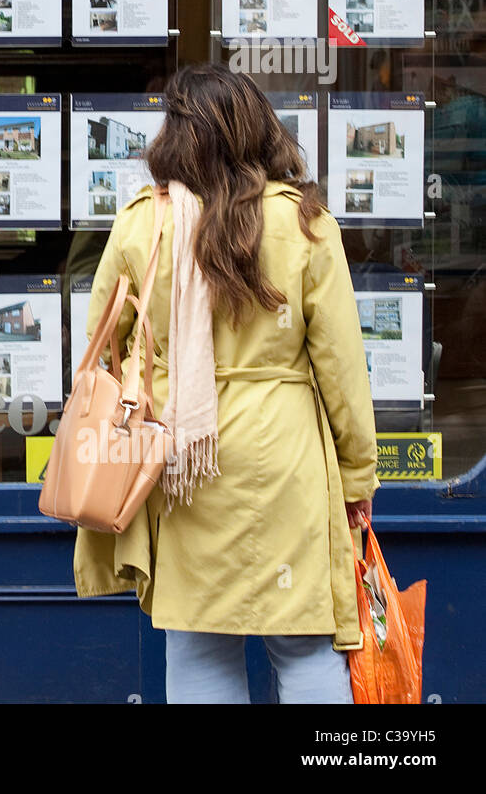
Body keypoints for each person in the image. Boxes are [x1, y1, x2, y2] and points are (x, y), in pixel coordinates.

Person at [73, 63, 378, 704]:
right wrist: (358, 477)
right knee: (304, 648)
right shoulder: (305, 225)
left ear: (175, 137)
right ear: (257, 128)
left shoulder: (140, 223)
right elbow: (343, 370)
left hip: (181, 457)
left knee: (199, 645)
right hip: (285, 455)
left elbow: (98, 351)